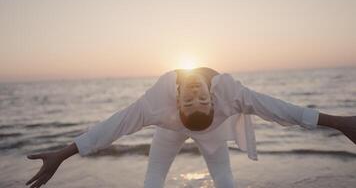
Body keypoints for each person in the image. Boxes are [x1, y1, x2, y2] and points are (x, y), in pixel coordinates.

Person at [26, 67, 356, 188]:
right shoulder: (157, 104)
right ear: (177, 102)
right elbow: (113, 127)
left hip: (212, 133)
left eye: (195, 99)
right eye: (191, 100)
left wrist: (340, 123)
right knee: (153, 178)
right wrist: (63, 154)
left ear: (215, 103)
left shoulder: (231, 94)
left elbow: (281, 110)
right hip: (168, 131)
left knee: (224, 178)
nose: (195, 94)